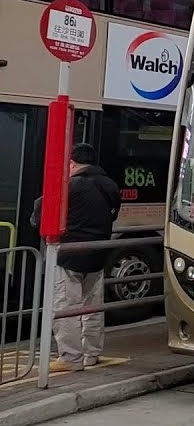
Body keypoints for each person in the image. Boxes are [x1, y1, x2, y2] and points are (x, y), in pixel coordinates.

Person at [48, 143, 120, 372]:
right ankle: (91, 353)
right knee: (93, 306)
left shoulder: (70, 185)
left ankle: (70, 357)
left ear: (72, 162)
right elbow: (114, 214)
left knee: (65, 306)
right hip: (98, 253)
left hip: (70, 254)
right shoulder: (110, 185)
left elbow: (43, 211)